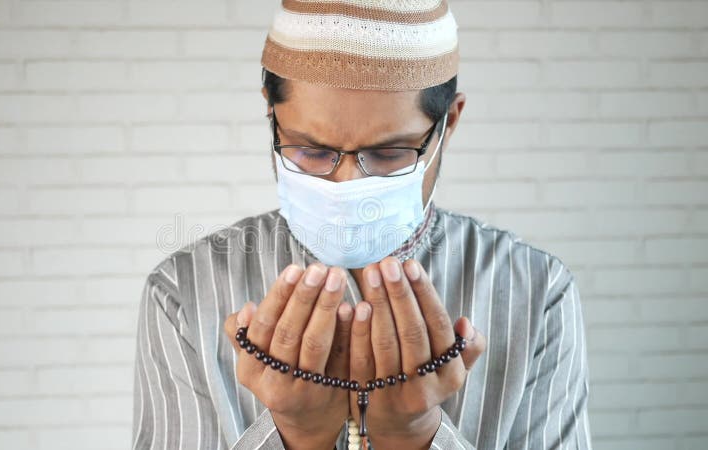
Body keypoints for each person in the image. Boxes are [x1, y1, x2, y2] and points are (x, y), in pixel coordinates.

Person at [132, 1, 592, 449]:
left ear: (448, 123)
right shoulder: (184, 292)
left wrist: (414, 436)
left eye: (388, 154)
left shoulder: (537, 292)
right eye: (312, 151)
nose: (346, 185)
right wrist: (297, 436)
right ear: (271, 114)